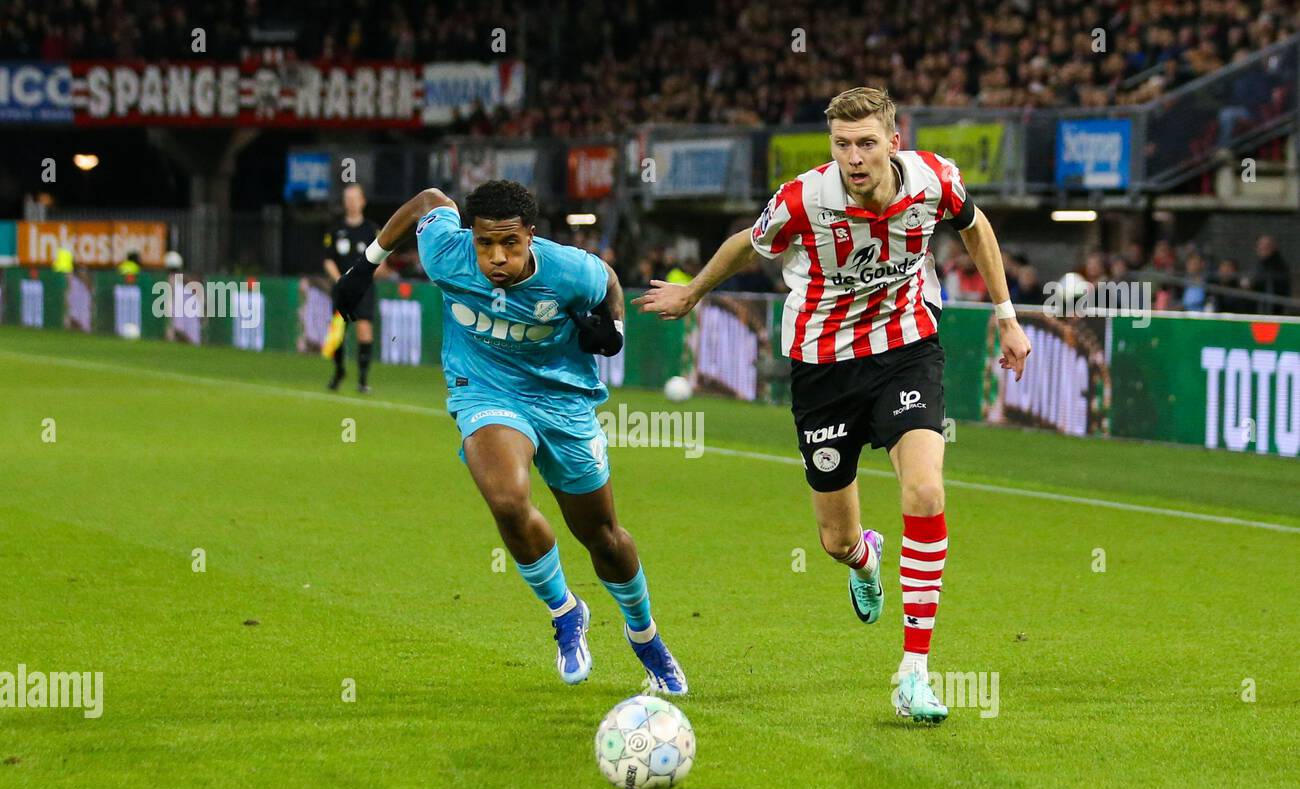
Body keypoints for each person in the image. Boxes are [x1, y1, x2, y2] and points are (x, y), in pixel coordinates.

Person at [635, 87, 1030, 723]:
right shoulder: (804, 199)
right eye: (842, 144)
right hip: (823, 368)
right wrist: (692, 294)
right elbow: (746, 243)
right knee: (835, 538)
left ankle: (913, 672)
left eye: (866, 142)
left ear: (893, 143)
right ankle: (865, 560)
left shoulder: (934, 181)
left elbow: (975, 226)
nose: (854, 156)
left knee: (925, 492)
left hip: (907, 348)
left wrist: (1006, 316)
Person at [332, 180, 687, 693]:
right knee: (506, 498)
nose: (496, 257)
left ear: (531, 236)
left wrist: (614, 331)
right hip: (485, 391)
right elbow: (428, 200)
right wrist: (367, 263)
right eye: (484, 243)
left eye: (510, 244)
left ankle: (644, 634)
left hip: (563, 399)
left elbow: (609, 281)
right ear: (469, 237)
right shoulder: (445, 252)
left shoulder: (569, 270)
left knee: (603, 537)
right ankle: (566, 611)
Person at [324, 184, 381, 392]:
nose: (351, 202)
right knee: (337, 334)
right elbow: (328, 260)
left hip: (363, 289)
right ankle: (338, 370)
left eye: (355, 198)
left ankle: (363, 380)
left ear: (363, 201)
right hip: (343, 290)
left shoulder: (371, 230)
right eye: (347, 198)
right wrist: (340, 280)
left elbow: (380, 258)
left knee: (364, 330)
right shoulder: (335, 230)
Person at [1248, 235, 1292, 315]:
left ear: (1273, 248)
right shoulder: (1259, 264)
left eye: (1266, 246)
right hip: (1258, 307)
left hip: (1273, 308)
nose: (1262, 248)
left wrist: (1254, 282)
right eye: (1260, 245)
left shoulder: (1279, 266)